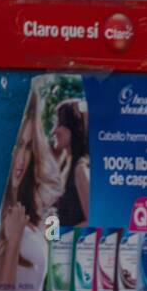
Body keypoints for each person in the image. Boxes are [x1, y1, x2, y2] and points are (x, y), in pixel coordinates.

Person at [0, 88, 62, 291]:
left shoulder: (31, 209)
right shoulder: (3, 220)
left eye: (28, 147)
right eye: (17, 146)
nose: (20, 159)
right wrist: (14, 240)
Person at [51, 97, 90, 229]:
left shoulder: (80, 169)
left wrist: (62, 239)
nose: (54, 131)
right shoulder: (62, 165)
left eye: (59, 124)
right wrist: (50, 238)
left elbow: (93, 222)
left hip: (74, 248)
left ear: (73, 128)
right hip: (57, 248)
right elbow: (54, 218)